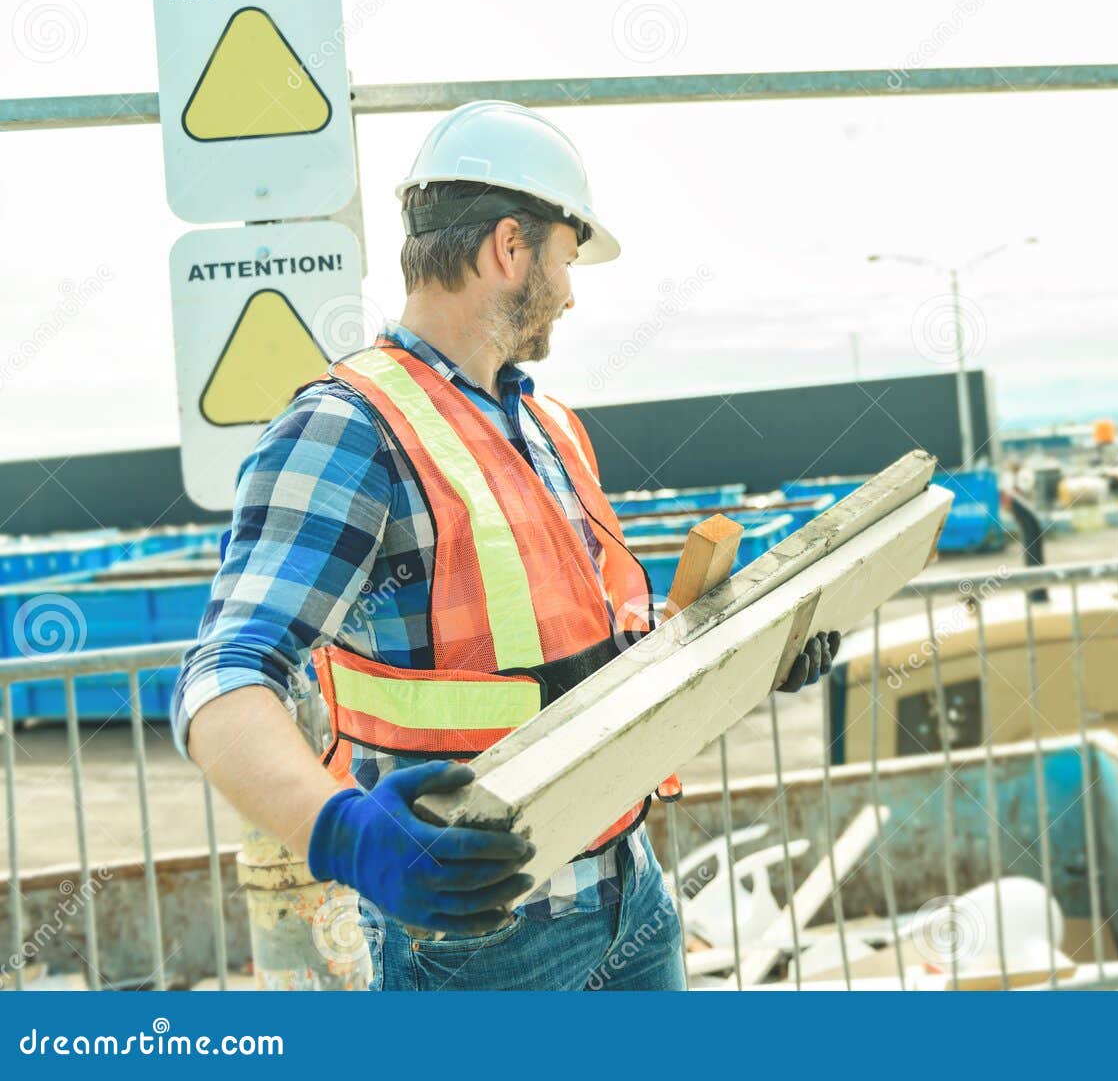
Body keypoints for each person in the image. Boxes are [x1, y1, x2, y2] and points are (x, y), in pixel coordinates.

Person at [173, 100, 839, 991]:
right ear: (510, 248)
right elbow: (222, 678)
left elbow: (593, 662)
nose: (571, 289)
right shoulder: (347, 429)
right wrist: (345, 833)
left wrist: (752, 652)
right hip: (482, 947)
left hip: (627, 898)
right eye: (566, 258)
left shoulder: (550, 428)